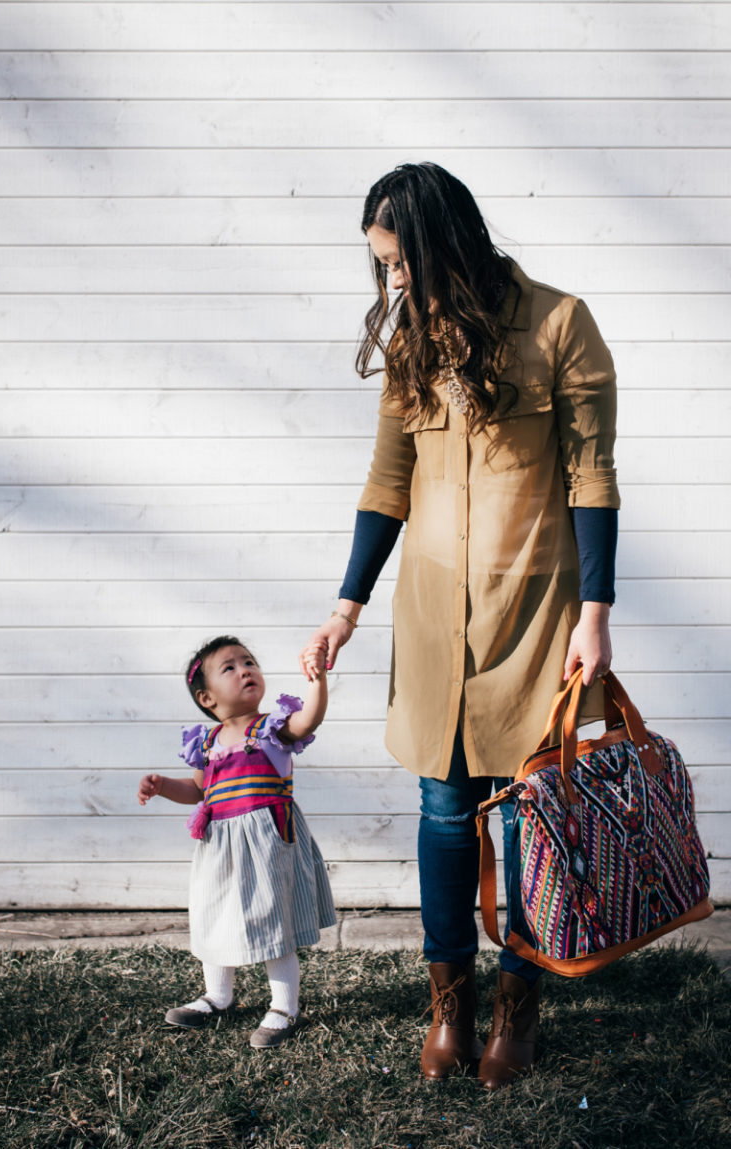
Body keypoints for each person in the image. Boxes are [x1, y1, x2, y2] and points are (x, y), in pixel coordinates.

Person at [300, 163, 619, 1088]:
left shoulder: (561, 324)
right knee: (445, 814)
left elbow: (592, 478)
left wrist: (594, 614)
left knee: (530, 823)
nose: (393, 282)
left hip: (539, 611)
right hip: (436, 617)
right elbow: (386, 485)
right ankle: (451, 1005)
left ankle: (518, 1012)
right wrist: (347, 605)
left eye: (401, 263)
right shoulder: (412, 348)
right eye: (383, 267)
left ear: (444, 244)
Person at [138, 635, 336, 1048]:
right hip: (219, 845)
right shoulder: (207, 744)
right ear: (207, 698)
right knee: (214, 913)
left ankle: (284, 1007)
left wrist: (317, 681)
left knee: (270, 918)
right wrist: (162, 786)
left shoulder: (270, 729)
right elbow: (198, 792)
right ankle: (218, 996)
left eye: (249, 662)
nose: (245, 669)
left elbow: (309, 721)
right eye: (229, 667)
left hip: (266, 843)